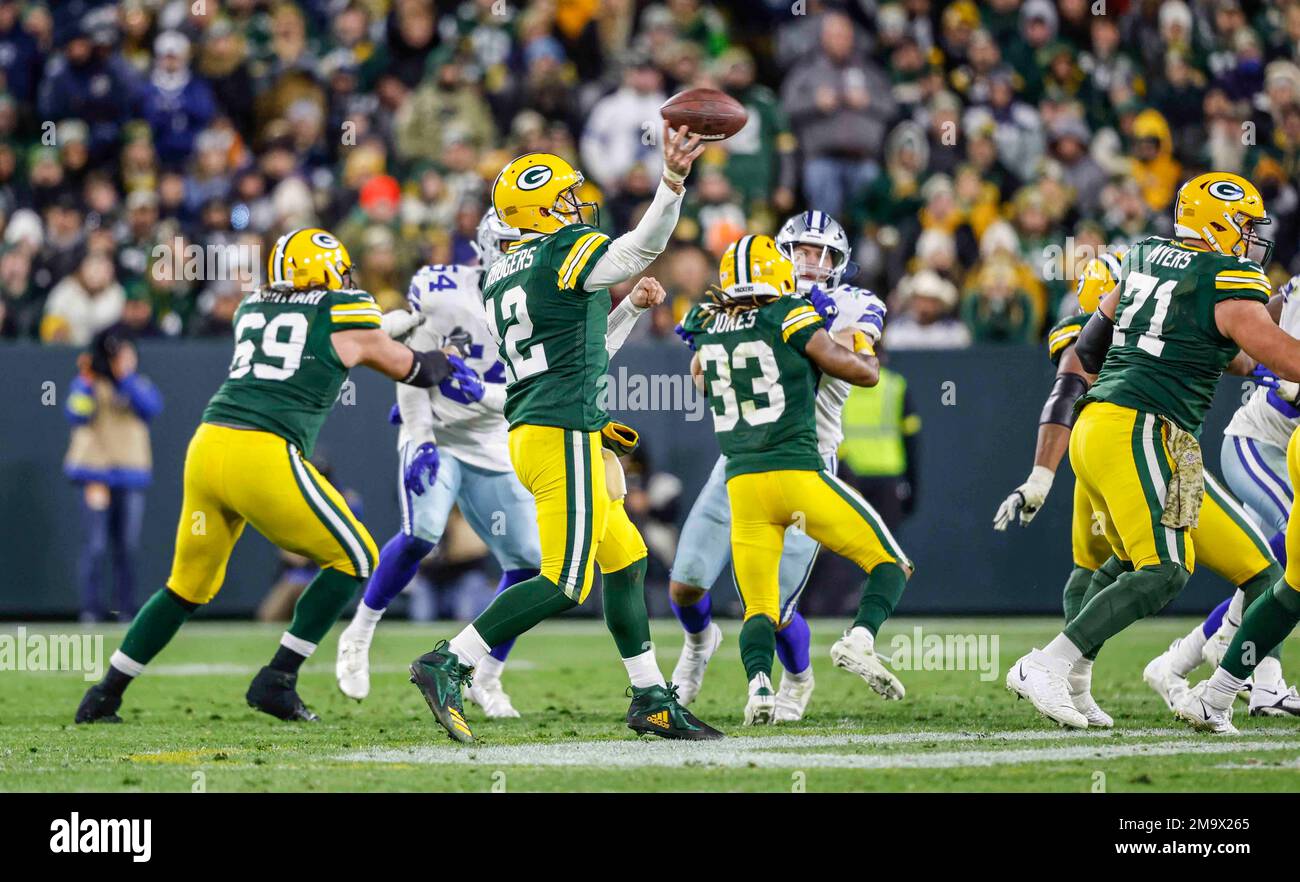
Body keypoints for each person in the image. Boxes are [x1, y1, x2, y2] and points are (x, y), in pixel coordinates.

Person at [406, 126, 724, 744]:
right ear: (537, 211)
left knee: (627, 562)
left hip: (539, 432)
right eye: (564, 199)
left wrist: (628, 309)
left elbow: (579, 353)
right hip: (562, 434)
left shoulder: (500, 277)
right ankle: (451, 662)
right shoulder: (558, 253)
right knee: (564, 580)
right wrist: (673, 182)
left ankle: (651, 698)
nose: (577, 207)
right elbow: (640, 248)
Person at [75, 228, 469, 724]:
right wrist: (447, 356)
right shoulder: (343, 311)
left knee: (185, 588)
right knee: (357, 557)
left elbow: (335, 339)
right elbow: (415, 370)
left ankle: (104, 694)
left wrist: (382, 334)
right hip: (260, 451)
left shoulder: (252, 309)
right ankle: (278, 678)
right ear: (324, 270)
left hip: (208, 446)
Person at [1006, 172, 1300, 729]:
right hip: (1140, 428)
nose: (1252, 239)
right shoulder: (1226, 277)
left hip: (1111, 427)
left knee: (1161, 559)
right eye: (1245, 226)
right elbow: (1281, 354)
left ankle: (1093, 679)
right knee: (1164, 569)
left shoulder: (1143, 256)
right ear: (1218, 223)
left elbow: (1090, 347)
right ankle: (1047, 664)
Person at [667, 210, 889, 722]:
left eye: (824, 254)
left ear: (840, 263)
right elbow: (700, 377)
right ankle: (699, 645)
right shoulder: (742, 304)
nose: (812, 263)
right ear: (778, 256)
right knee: (685, 582)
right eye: (802, 251)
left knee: (775, 607)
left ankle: (797, 678)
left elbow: (861, 365)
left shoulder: (852, 304)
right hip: (741, 460)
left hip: (808, 461)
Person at [334, 212, 543, 718]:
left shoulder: (546, 302)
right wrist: (420, 436)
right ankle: (358, 633)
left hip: (492, 438)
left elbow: (532, 392)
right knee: (422, 534)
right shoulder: (442, 288)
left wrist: (486, 395)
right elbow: (407, 363)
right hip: (437, 432)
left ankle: (485, 677)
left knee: (530, 564)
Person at [64, 326, 163, 622]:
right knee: (95, 546)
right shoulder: (88, 384)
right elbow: (75, 415)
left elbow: (152, 407)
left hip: (130, 474)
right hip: (97, 474)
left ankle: (125, 610)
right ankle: (91, 610)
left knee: (128, 547)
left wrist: (125, 378)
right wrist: (86, 379)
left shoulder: (139, 383)